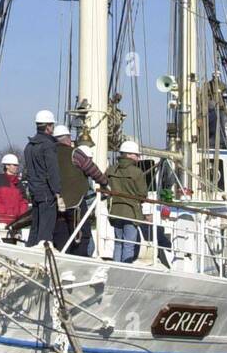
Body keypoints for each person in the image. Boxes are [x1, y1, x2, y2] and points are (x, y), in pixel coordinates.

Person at [53, 125, 109, 254]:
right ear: (68, 139)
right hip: (75, 202)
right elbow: (92, 170)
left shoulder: (49, 154)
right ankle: (80, 259)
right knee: (82, 234)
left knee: (61, 233)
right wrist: (105, 182)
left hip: (55, 203)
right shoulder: (74, 153)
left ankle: (63, 258)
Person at [23, 109, 63, 247]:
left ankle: (30, 249)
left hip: (34, 191)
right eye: (52, 125)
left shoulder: (29, 146)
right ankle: (43, 253)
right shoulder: (48, 146)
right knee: (46, 228)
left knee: (35, 225)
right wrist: (58, 192)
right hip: (46, 192)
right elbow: (53, 171)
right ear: (48, 127)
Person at [106, 138, 149, 263]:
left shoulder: (111, 170)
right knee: (129, 245)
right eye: (136, 155)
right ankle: (125, 272)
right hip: (131, 212)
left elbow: (104, 185)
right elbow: (142, 194)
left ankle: (115, 269)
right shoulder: (137, 172)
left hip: (115, 210)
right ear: (129, 155)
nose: (138, 157)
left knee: (118, 243)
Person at [0, 154, 29, 233]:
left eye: (17, 165)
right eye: (14, 165)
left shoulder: (19, 184)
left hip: (15, 223)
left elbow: (24, 202)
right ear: (7, 166)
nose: (16, 167)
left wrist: (21, 218)